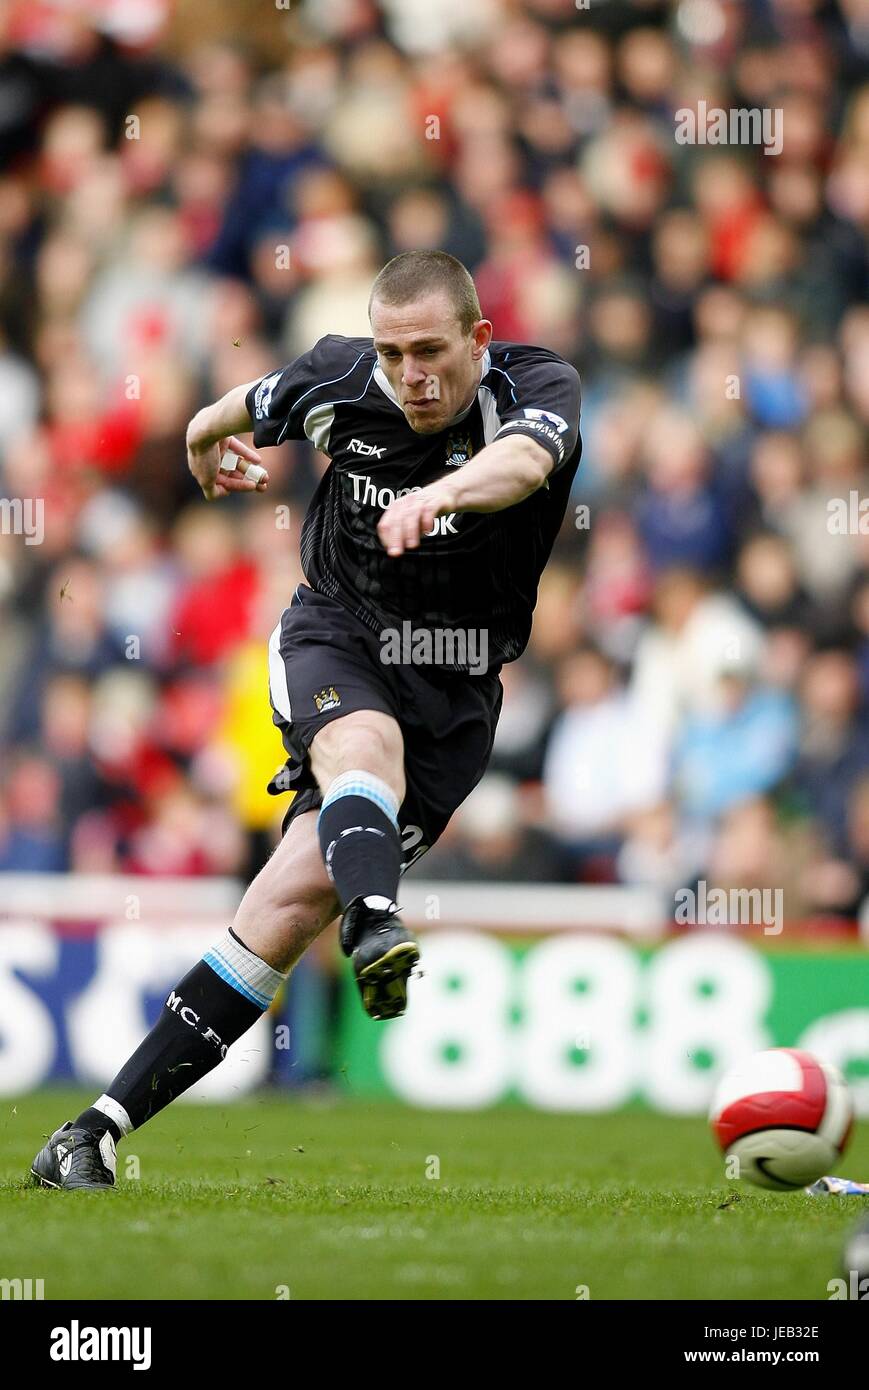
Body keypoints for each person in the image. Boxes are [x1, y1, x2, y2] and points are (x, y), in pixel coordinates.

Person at [31, 250, 582, 1189]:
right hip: (339, 631)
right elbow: (234, 406)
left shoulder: (538, 385)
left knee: (282, 912)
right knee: (362, 747)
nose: (410, 374)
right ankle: (374, 920)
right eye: (392, 351)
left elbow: (525, 464)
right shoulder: (341, 374)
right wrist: (205, 441)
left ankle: (90, 1133)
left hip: (455, 690)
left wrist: (442, 493)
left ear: (478, 340)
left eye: (429, 352)